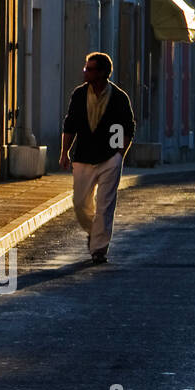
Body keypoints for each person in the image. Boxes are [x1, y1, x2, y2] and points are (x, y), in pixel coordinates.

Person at [58, 52, 135, 264]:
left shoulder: (119, 98)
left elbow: (127, 127)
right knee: (80, 204)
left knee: (105, 205)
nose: (85, 72)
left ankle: (99, 249)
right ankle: (94, 231)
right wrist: (64, 152)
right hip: (83, 157)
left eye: (90, 69)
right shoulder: (79, 95)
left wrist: (119, 154)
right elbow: (70, 125)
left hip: (110, 157)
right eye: (86, 68)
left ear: (102, 73)